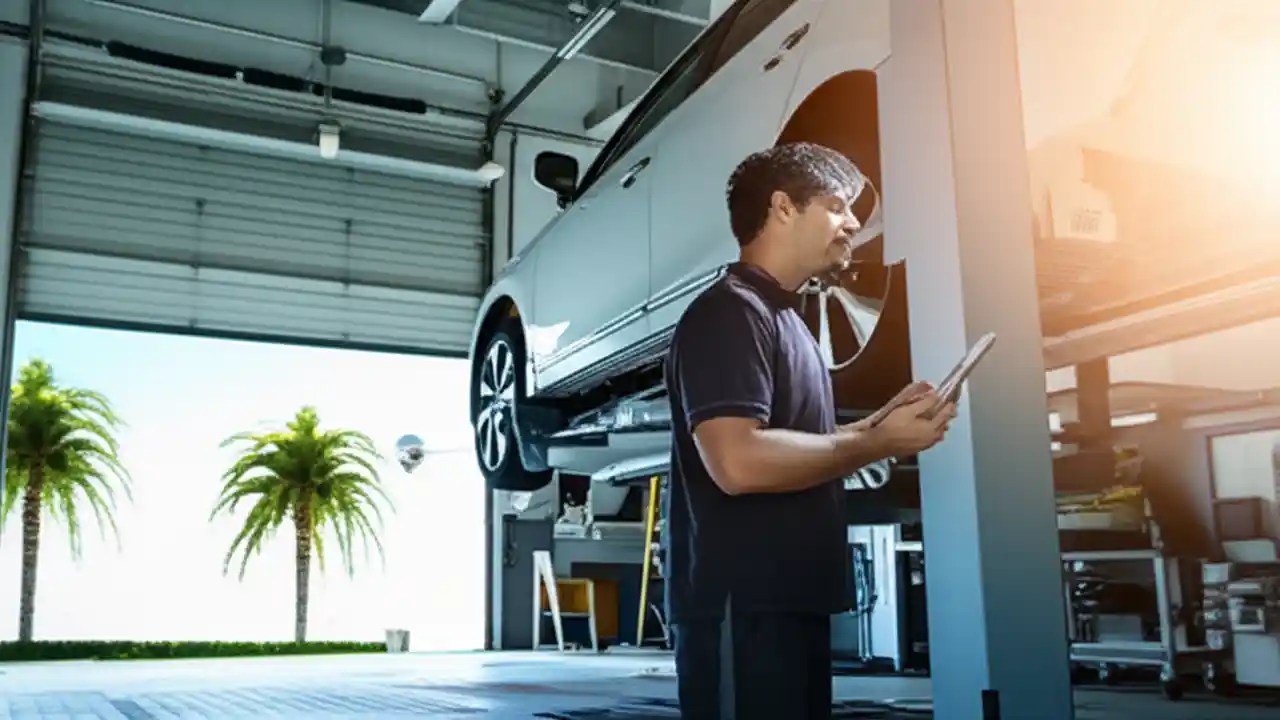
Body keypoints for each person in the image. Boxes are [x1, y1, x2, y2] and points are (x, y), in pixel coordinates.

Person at [663, 142, 957, 719]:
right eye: (837, 205)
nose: (853, 223)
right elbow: (738, 462)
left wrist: (878, 426)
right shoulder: (730, 313)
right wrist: (874, 442)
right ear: (783, 207)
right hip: (742, 606)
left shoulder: (786, 322)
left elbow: (804, 447)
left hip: (786, 600)